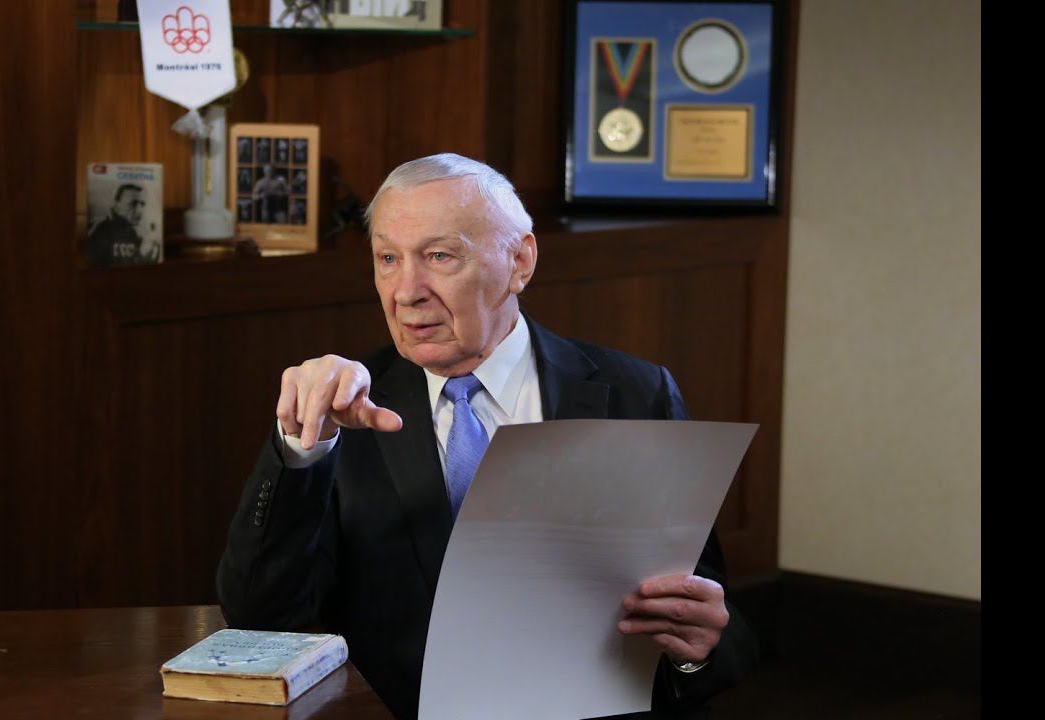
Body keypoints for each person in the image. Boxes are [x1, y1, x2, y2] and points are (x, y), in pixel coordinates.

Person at [217, 153, 757, 719]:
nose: (406, 291)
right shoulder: (342, 409)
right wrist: (302, 446)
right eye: (388, 259)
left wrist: (696, 654)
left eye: (439, 256)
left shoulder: (635, 394)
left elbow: (706, 622)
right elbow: (259, 616)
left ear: (520, 261)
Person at [87, 183, 158, 265]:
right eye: (133, 203)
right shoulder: (99, 229)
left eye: (142, 204)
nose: (139, 210)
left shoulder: (131, 232)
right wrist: (141, 255)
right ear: (115, 204)